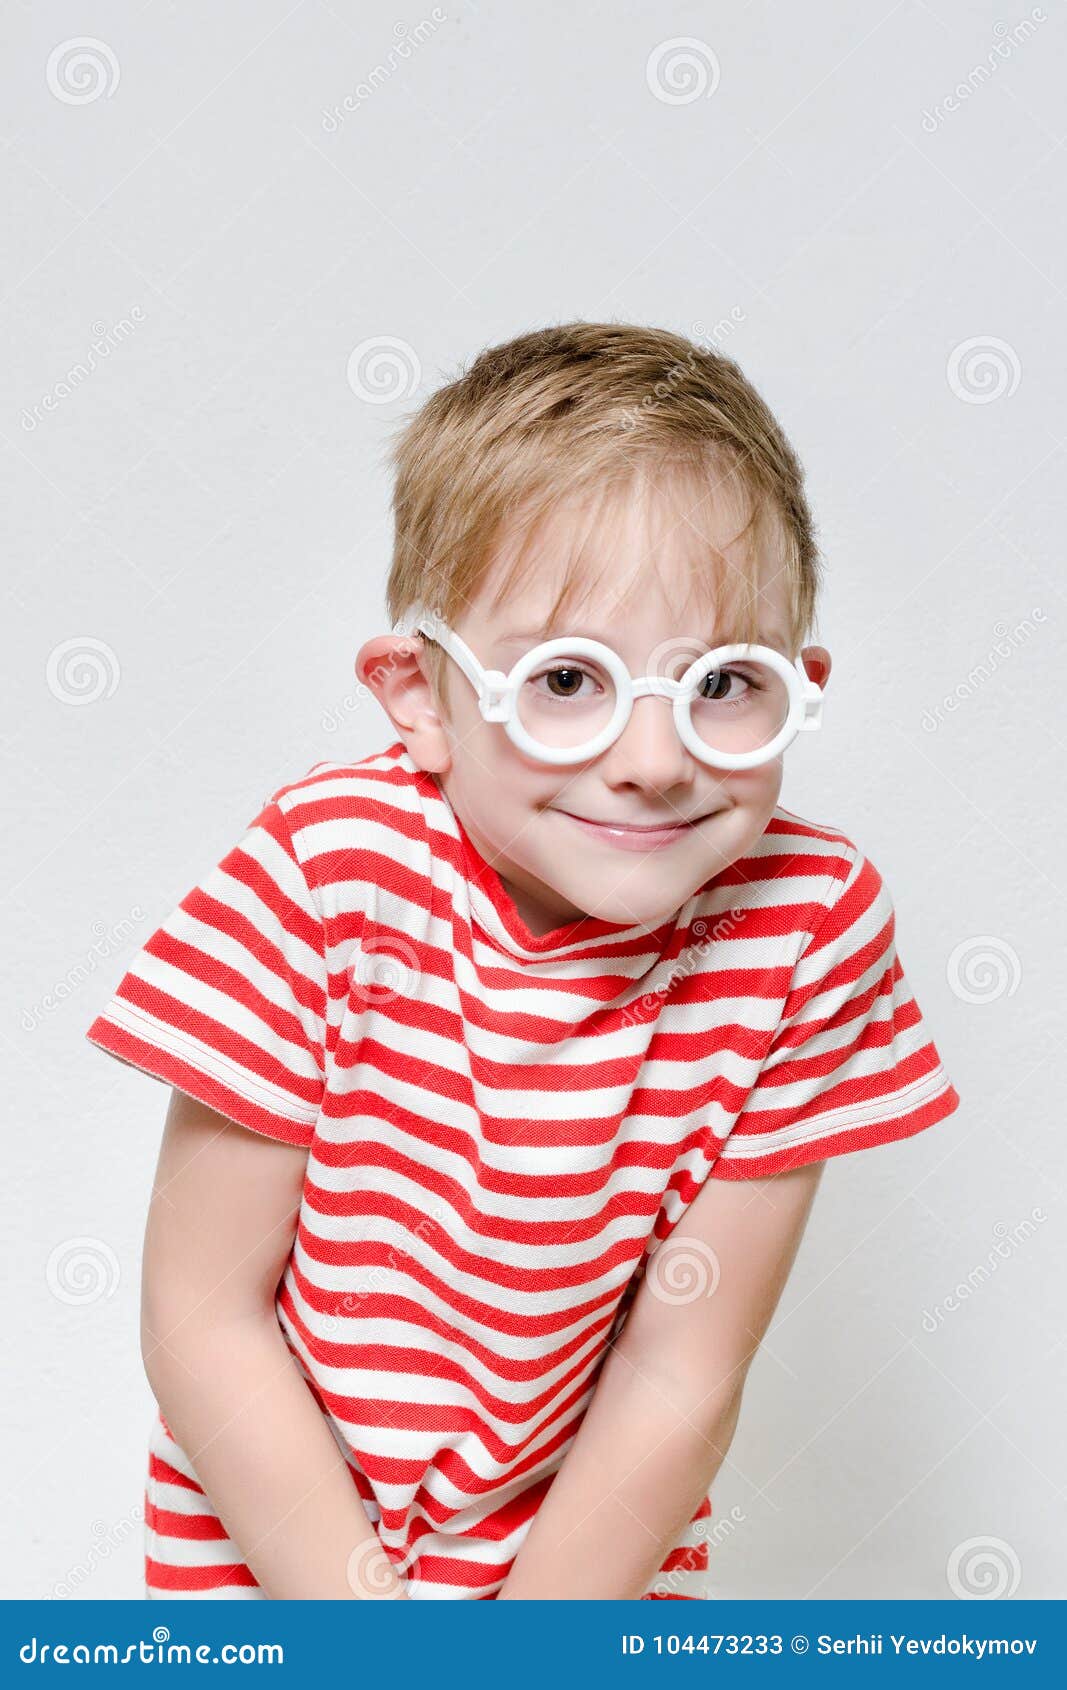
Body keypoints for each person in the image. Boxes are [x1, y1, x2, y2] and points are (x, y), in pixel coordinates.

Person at [85, 321, 960, 1600]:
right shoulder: (331, 867)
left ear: (800, 686)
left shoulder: (803, 922)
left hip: (585, 1560)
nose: (656, 758)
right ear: (419, 697)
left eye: (723, 682)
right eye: (567, 678)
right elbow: (202, 1321)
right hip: (283, 1553)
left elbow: (681, 1369)